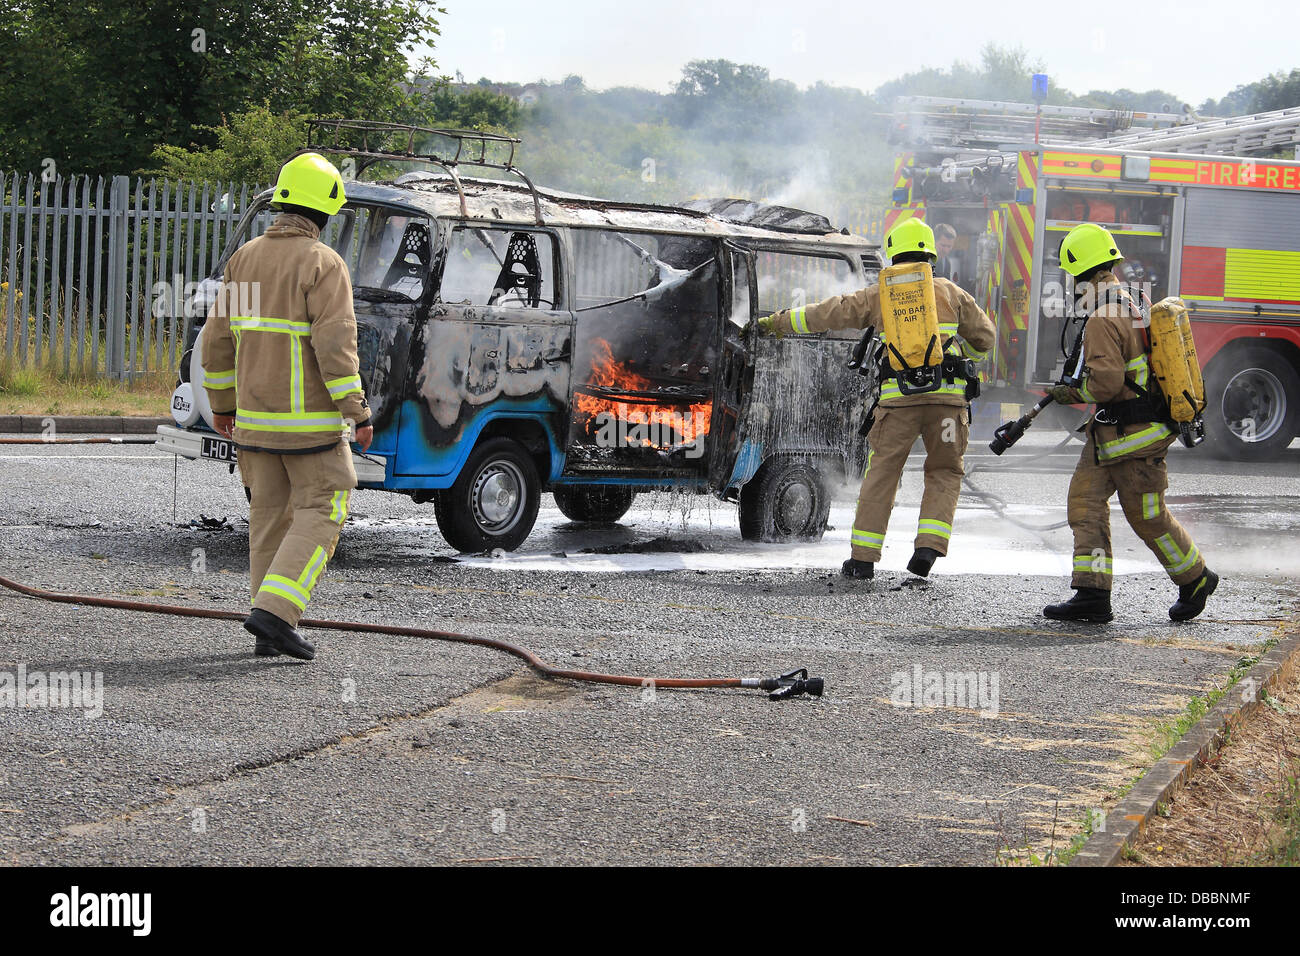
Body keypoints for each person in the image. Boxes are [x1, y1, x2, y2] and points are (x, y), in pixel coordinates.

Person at [202, 152, 372, 660]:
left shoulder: (245, 259)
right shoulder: (323, 264)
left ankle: (266, 628)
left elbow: (216, 341)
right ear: (325, 211)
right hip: (309, 429)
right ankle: (275, 614)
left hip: (252, 426)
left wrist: (221, 404)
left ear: (280, 201)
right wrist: (357, 412)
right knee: (327, 503)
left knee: (269, 516)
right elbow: (336, 348)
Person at [758, 219, 995, 579]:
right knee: (945, 471)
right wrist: (966, 357)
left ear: (893, 253)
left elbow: (826, 313)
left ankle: (863, 559)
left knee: (882, 474)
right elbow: (986, 339)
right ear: (930, 254)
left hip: (898, 403)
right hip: (947, 406)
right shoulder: (951, 292)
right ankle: (928, 549)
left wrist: (775, 323)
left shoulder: (879, 294)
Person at [1043, 223, 1217, 623]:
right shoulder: (1131, 299)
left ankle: (1196, 578)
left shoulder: (1103, 317)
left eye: (1073, 277)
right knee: (1084, 503)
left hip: (1132, 437)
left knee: (1147, 517)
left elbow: (1105, 383)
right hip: (1113, 436)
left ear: (1082, 273)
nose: (1073, 285)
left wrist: (1073, 393)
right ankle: (1091, 593)